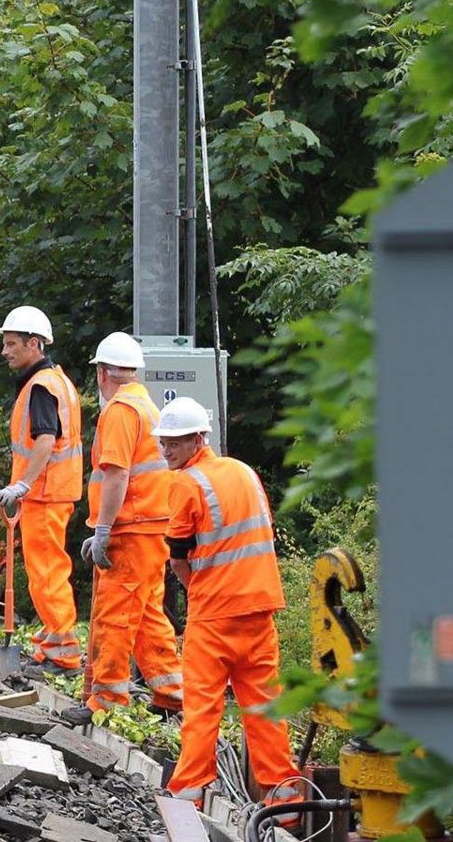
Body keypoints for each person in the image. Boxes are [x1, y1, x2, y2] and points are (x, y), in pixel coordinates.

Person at [155, 397, 306, 819]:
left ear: (198, 439)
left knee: (202, 707)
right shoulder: (244, 472)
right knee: (264, 706)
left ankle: (187, 795)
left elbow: (178, 558)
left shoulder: (185, 484)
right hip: (259, 606)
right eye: (163, 442)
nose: (166, 451)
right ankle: (285, 802)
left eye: (174, 443)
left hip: (214, 615)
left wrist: (198, 591)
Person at [76, 332, 185, 719]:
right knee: (148, 613)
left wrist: (103, 529)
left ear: (103, 373)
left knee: (116, 614)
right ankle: (172, 694)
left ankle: (105, 701)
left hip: (131, 527)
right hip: (152, 526)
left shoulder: (120, 411)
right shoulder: (147, 406)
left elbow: (117, 474)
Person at [0, 305, 85, 673]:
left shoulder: (42, 387)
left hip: (45, 492)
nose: (4, 351)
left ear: (34, 344)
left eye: (11, 343)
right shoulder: (55, 381)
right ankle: (51, 644)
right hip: (52, 491)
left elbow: (46, 439)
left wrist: (21, 485)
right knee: (47, 571)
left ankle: (63, 654)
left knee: (46, 574)